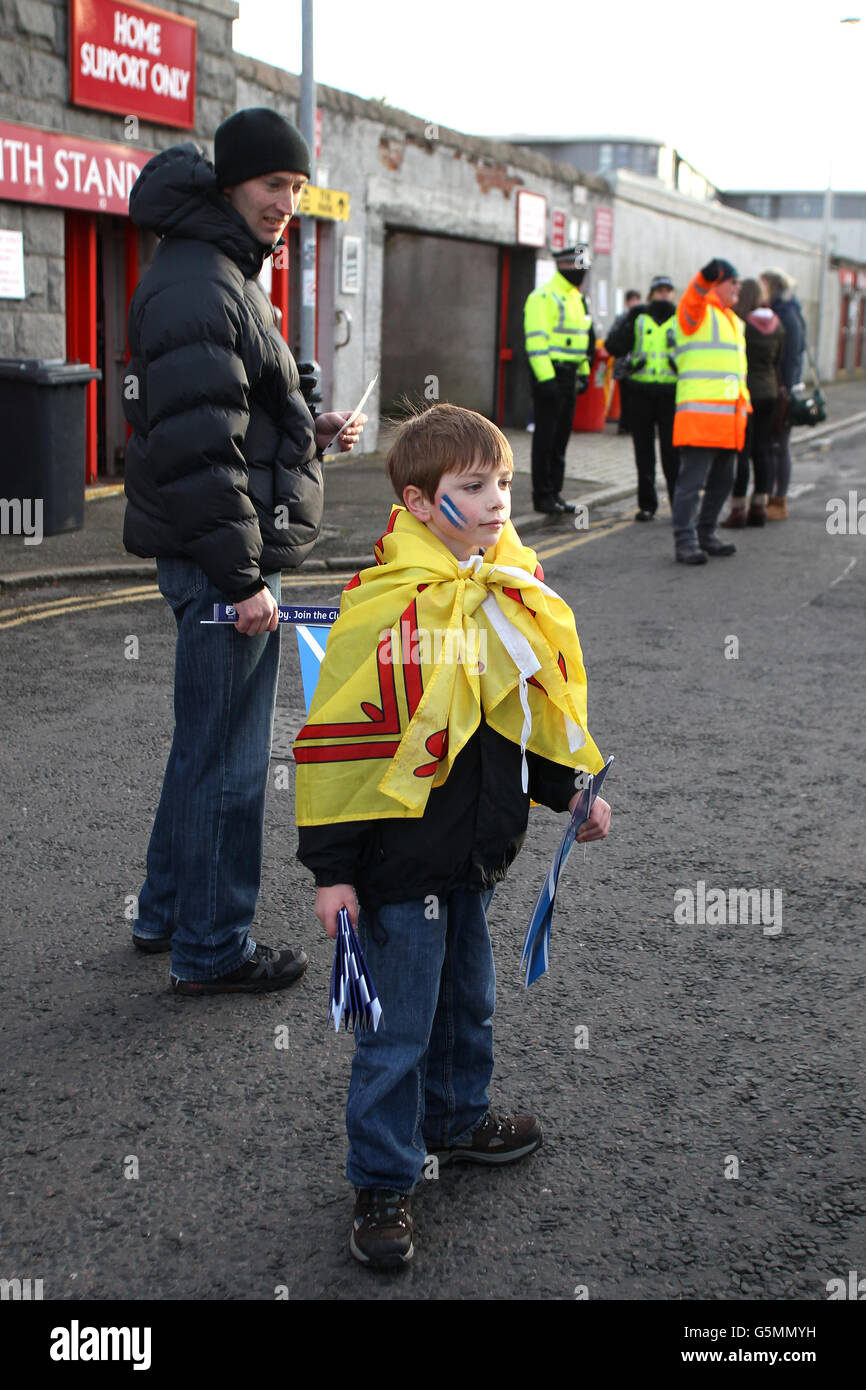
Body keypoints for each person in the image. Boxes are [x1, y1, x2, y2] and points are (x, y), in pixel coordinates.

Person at [294, 403, 612, 1267]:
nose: (500, 499)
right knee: (395, 1031)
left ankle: (458, 1118)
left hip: (473, 857)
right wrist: (332, 873)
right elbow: (338, 750)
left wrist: (568, 793)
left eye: (503, 481)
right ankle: (384, 1180)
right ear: (421, 501)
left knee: (468, 1002)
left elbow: (516, 723)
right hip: (399, 869)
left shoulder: (505, 593)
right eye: (474, 486)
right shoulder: (388, 611)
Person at [122, 107, 365, 996]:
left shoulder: (215, 266)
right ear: (230, 183)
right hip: (222, 560)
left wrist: (312, 428)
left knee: (203, 744)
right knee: (228, 760)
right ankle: (212, 946)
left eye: (297, 189)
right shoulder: (203, 281)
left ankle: (160, 913)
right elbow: (197, 449)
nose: (286, 204)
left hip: (214, 551)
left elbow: (240, 413)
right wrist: (244, 579)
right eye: (273, 186)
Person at [669, 258, 751, 565]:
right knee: (691, 484)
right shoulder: (697, 313)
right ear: (718, 284)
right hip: (700, 419)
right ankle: (685, 540)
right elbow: (693, 295)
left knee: (722, 483)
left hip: (729, 422)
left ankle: (706, 533)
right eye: (734, 282)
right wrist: (704, 275)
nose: (738, 288)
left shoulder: (734, 321)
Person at [524, 245, 595, 514]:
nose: (582, 273)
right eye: (579, 267)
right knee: (546, 437)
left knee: (561, 438)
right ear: (564, 266)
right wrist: (546, 379)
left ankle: (555, 492)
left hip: (570, 375)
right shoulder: (543, 297)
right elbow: (536, 341)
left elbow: (582, 343)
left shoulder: (577, 299)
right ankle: (542, 495)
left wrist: (585, 373)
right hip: (550, 374)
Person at [605, 275, 679, 521]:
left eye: (668, 291)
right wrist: (629, 317)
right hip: (641, 392)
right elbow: (615, 345)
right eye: (659, 291)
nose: (664, 295)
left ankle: (678, 503)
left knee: (672, 452)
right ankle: (647, 505)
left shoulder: (680, 319)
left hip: (670, 392)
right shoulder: (638, 318)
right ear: (651, 295)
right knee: (643, 451)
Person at [721, 277, 785, 528]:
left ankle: (738, 508)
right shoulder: (777, 324)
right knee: (764, 450)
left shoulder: (741, 324)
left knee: (742, 452)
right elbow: (779, 358)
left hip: (746, 392)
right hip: (769, 391)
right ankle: (759, 506)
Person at [761, 267, 806, 520]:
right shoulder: (780, 311)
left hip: (783, 389)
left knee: (779, 446)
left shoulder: (787, 314)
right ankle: (770, 497)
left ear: (772, 286)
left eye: (762, 285)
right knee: (771, 445)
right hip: (775, 386)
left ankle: (779, 499)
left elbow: (791, 358)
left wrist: (786, 392)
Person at [606, 289, 641, 436]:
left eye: (636, 300)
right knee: (625, 397)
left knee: (635, 397)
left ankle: (632, 425)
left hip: (637, 365)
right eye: (632, 300)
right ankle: (625, 425)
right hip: (623, 364)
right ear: (627, 302)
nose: (634, 303)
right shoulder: (622, 318)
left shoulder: (642, 318)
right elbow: (613, 337)